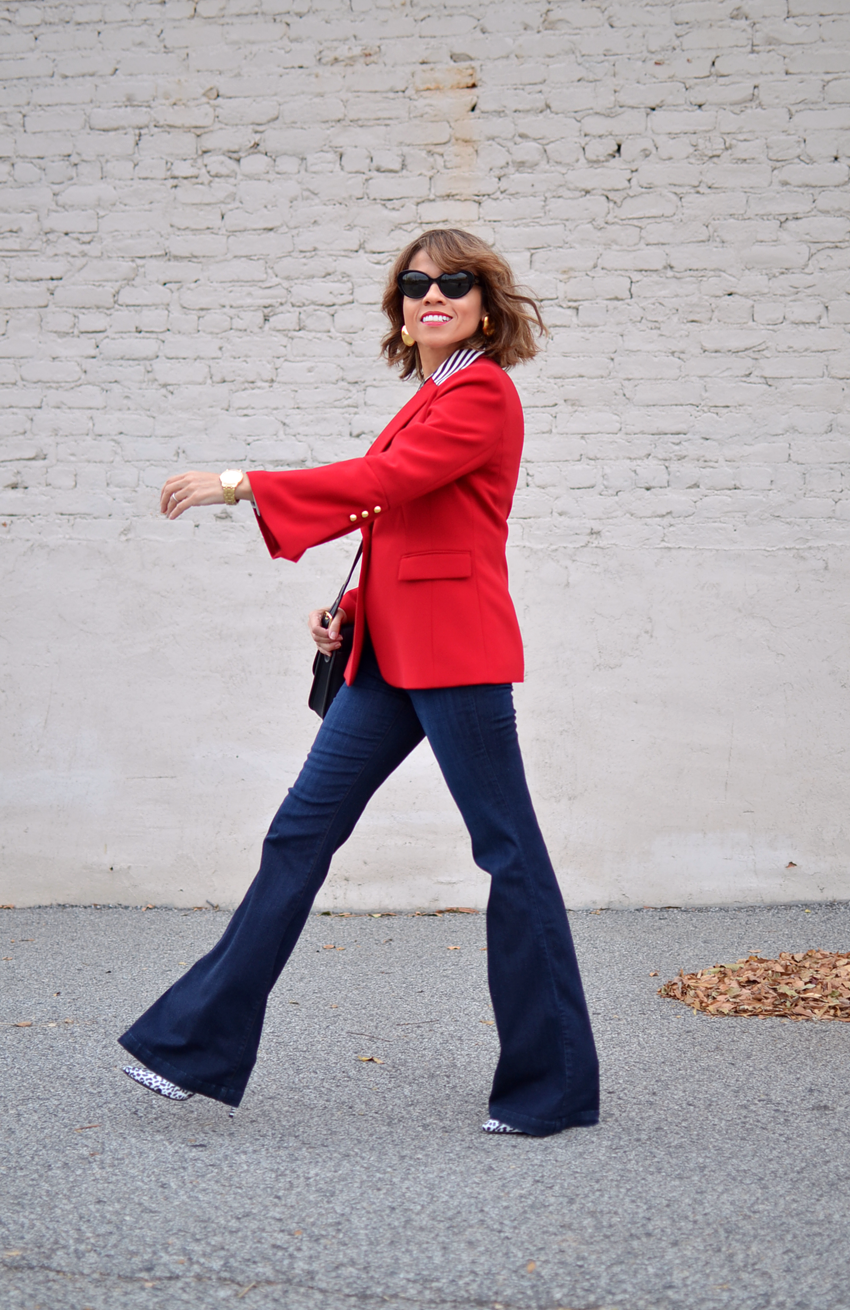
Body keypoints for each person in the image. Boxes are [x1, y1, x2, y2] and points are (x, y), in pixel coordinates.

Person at [119, 228, 599, 1138]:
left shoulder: (482, 391)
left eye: (454, 283)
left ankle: (556, 1089)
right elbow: (402, 519)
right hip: (384, 657)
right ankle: (194, 1049)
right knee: (298, 834)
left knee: (509, 855)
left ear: (484, 306)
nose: (433, 295)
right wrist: (348, 609)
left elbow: (384, 480)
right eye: (416, 284)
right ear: (401, 307)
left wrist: (241, 482)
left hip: (455, 658)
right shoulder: (429, 393)